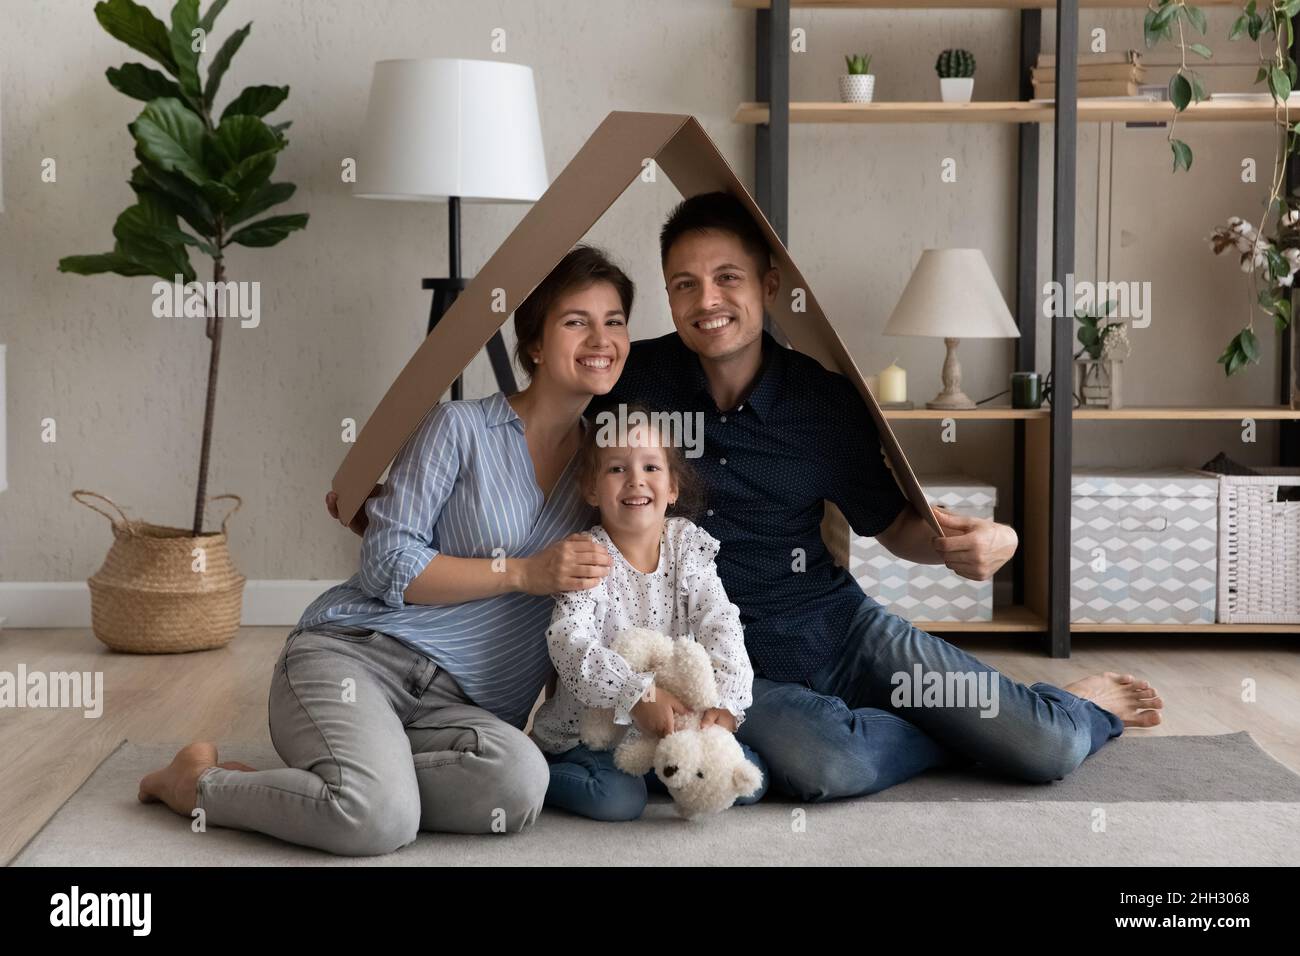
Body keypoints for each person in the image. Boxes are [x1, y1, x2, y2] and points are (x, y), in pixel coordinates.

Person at [591, 191, 1163, 801]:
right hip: (729, 662)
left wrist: (977, 542)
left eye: (727, 277)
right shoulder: (632, 383)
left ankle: (1057, 709)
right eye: (684, 284)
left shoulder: (824, 402)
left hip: (843, 629)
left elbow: (893, 526)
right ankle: (969, 731)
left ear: (770, 284)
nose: (706, 301)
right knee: (827, 765)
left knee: (1049, 746)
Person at [138, 245, 635, 855]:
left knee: (519, 784)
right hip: (358, 659)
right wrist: (525, 573)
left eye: (614, 321)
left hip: (464, 712)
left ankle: (342, 785)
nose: (601, 337)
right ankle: (198, 785)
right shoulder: (459, 427)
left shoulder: (607, 470)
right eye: (576, 321)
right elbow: (385, 563)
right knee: (379, 824)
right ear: (533, 342)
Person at [530, 406, 766, 820]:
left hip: (669, 729)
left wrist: (726, 704)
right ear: (591, 490)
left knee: (743, 780)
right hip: (590, 736)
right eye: (617, 469)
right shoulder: (590, 556)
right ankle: (539, 772)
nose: (636, 479)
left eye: (651, 466)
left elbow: (721, 622)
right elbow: (569, 643)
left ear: (673, 486)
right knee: (617, 800)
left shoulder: (686, 546)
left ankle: (662, 769)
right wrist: (636, 693)